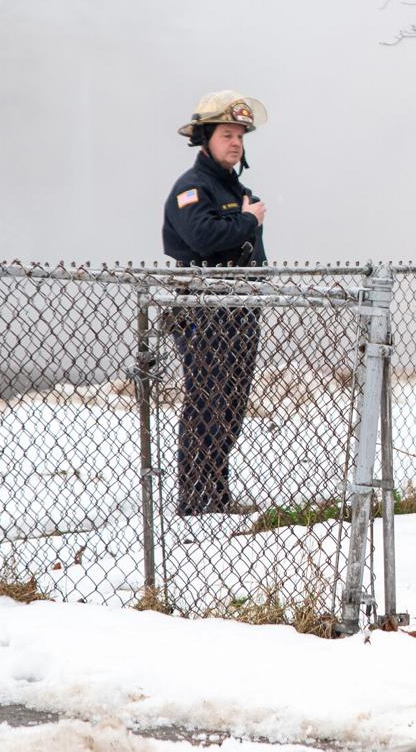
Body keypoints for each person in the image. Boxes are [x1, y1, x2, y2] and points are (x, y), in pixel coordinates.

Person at [161, 90, 268, 516]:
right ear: (205, 138)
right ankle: (195, 499)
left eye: (240, 136)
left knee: (231, 406)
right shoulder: (192, 188)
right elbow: (203, 238)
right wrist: (247, 220)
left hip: (239, 311)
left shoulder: (237, 190)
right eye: (227, 135)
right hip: (203, 312)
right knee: (206, 403)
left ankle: (217, 494)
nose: (236, 143)